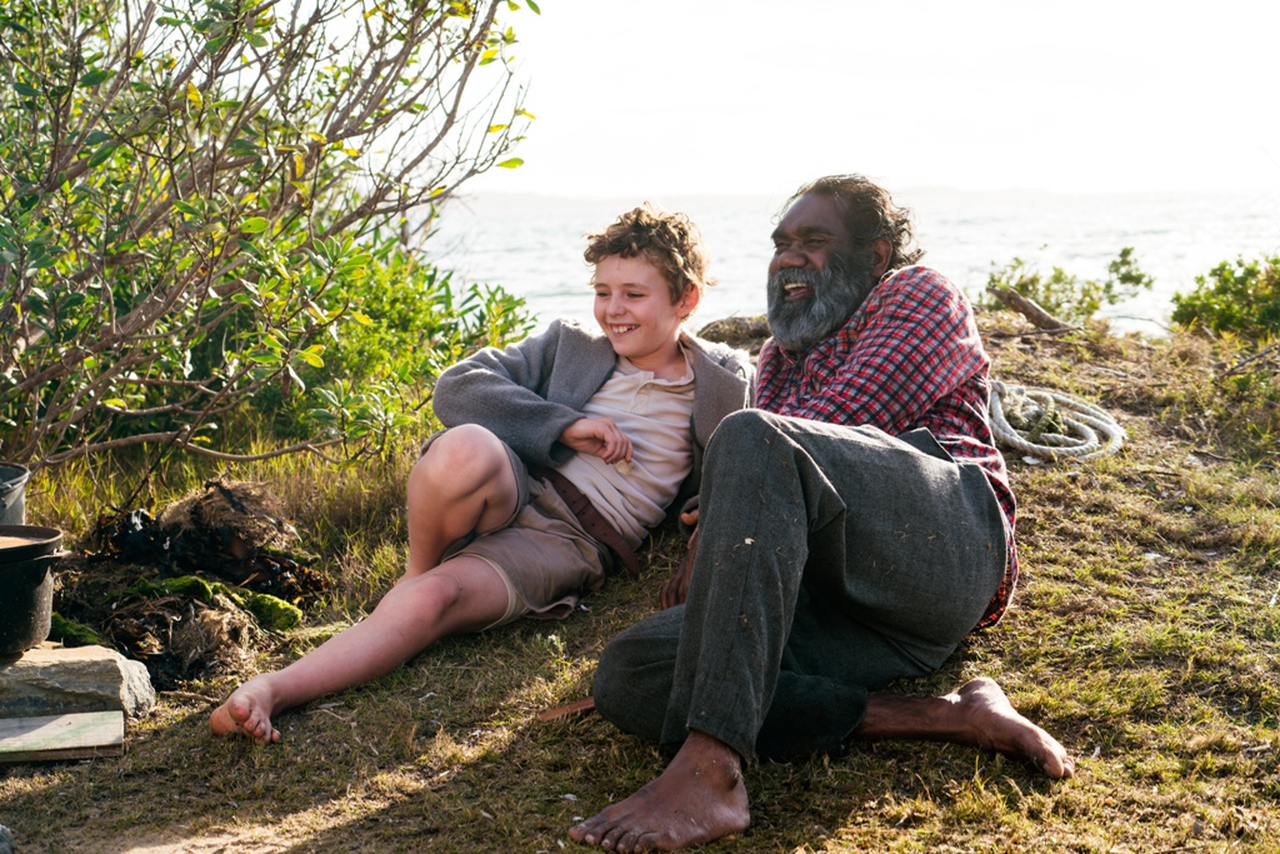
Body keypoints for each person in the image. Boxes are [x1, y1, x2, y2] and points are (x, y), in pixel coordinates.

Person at [569, 175, 1075, 852]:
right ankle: (949, 715)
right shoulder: (779, 354)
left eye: (814, 241)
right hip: (844, 602)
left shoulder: (918, 294)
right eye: (782, 244)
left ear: (875, 254)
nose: (789, 258)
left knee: (752, 437)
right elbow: (770, 484)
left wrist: (714, 526)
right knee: (630, 673)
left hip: (944, 555)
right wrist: (724, 528)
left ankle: (712, 768)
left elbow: (831, 431)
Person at [210, 204, 753, 745]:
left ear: (686, 299)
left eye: (634, 294)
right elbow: (456, 387)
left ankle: (273, 689)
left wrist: (706, 524)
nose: (613, 310)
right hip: (514, 483)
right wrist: (562, 427)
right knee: (464, 445)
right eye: (602, 291)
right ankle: (415, 571)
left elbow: (750, 457)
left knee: (435, 600)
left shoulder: (723, 381)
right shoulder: (571, 346)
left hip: (569, 541)